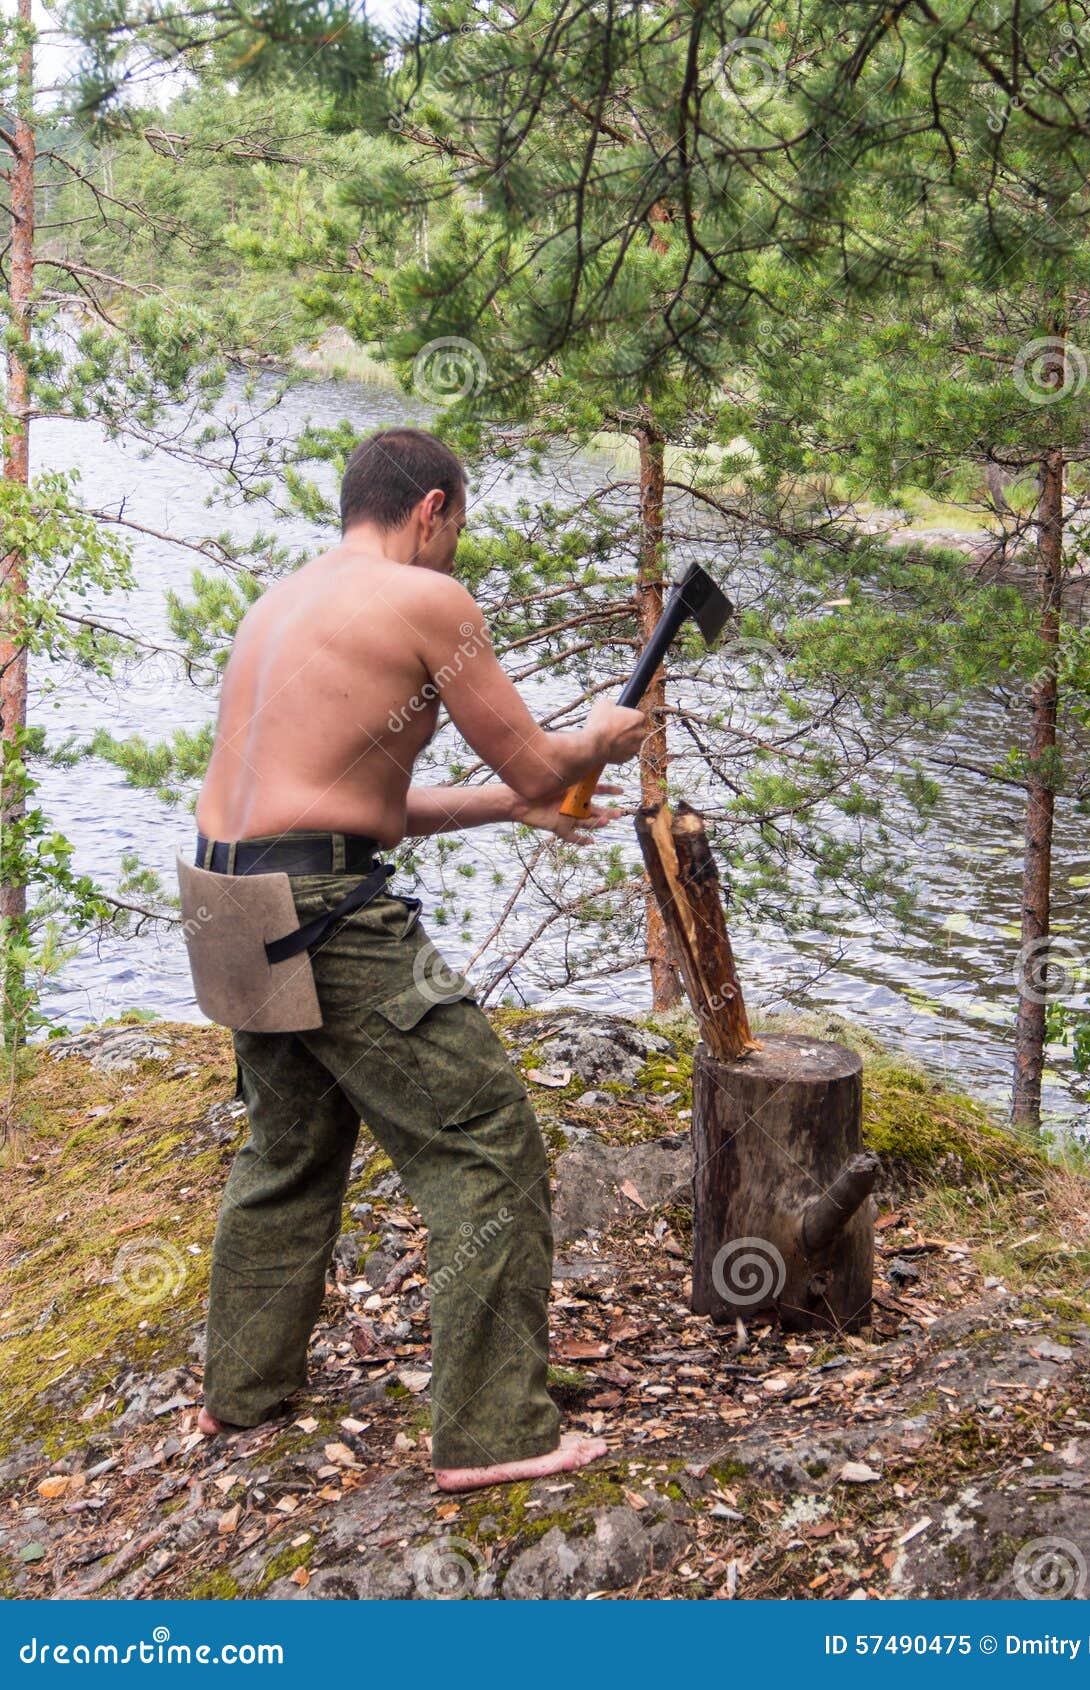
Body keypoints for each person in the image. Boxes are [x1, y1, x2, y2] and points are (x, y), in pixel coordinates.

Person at [191, 425, 646, 1492]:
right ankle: (494, 1433)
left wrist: (521, 808)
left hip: (224, 896)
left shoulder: (286, 602)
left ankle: (242, 1390)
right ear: (432, 508)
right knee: (485, 1138)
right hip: (322, 909)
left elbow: (369, 809)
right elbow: (544, 761)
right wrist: (600, 735)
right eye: (458, 526)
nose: (455, 548)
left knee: (288, 1146)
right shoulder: (427, 601)